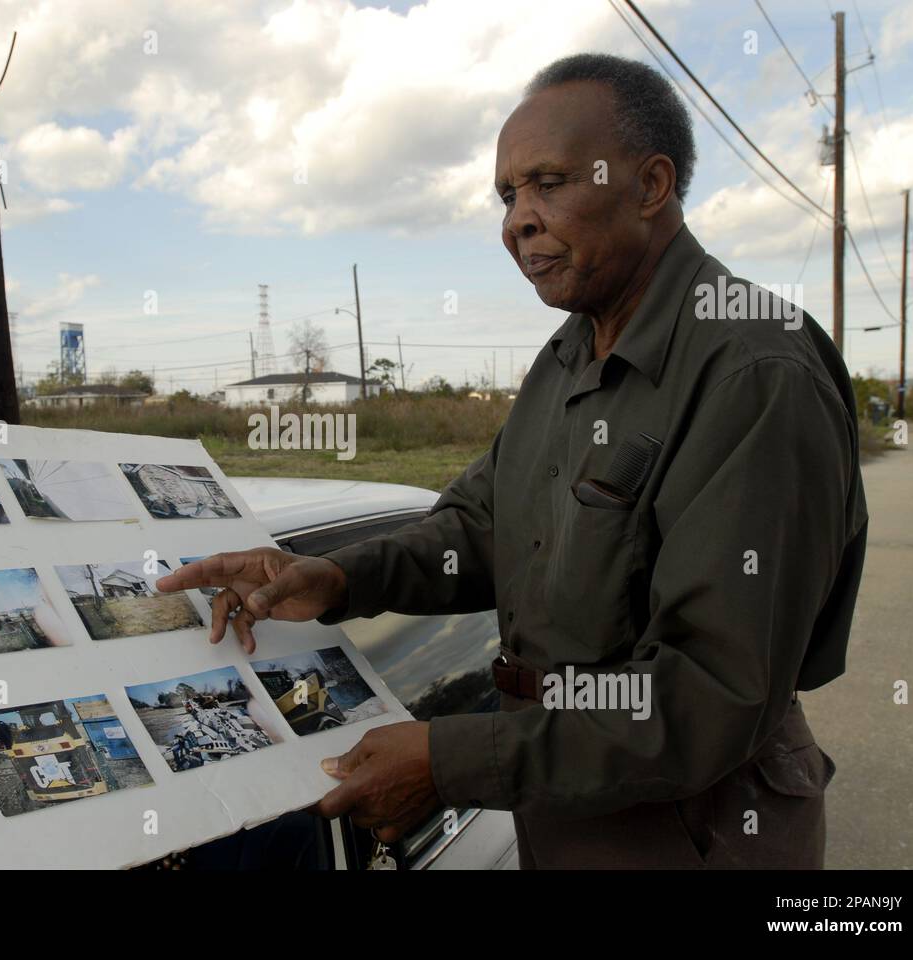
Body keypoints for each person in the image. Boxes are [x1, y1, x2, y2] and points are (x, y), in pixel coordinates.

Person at [158, 53, 867, 869]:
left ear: (651, 185)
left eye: (549, 183)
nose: (517, 221)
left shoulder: (754, 371)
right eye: (507, 196)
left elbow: (712, 697)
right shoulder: (566, 358)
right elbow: (479, 528)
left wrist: (452, 763)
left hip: (693, 829)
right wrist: (331, 577)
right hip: (564, 804)